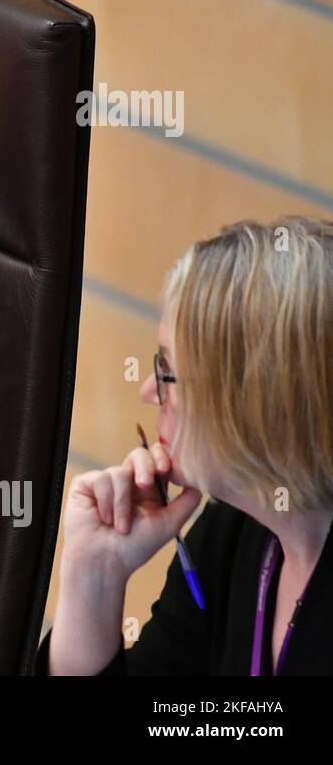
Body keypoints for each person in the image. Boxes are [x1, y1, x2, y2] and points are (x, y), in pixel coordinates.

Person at [42, 217, 333, 675]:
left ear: (253, 396)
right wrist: (94, 577)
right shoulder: (232, 531)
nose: (147, 391)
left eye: (166, 369)